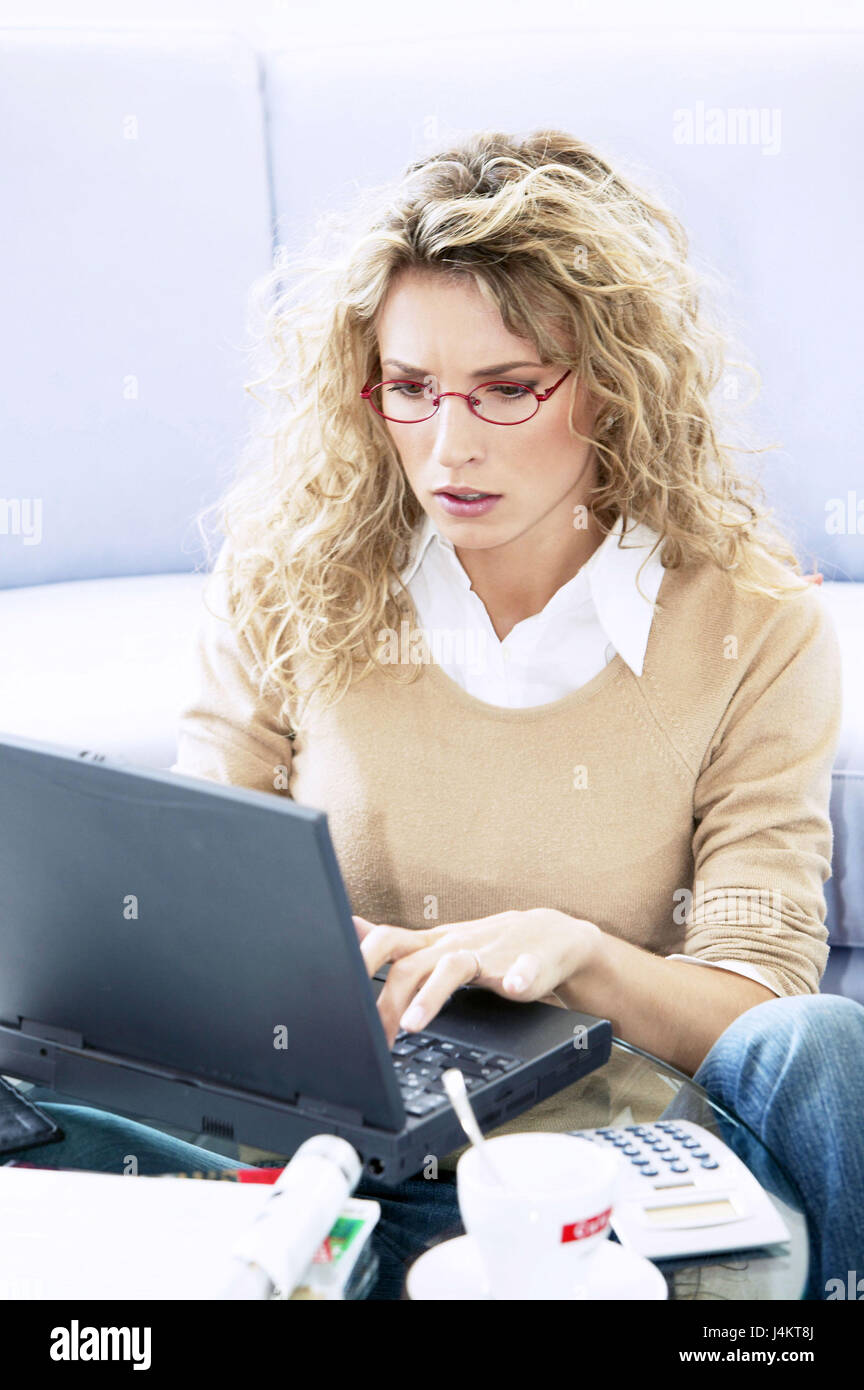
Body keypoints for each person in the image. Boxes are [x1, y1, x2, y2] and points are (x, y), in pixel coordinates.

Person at [9, 130, 864, 1300]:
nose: (449, 447)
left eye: (509, 391)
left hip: (608, 1166)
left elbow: (762, 1004)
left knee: (828, 1045)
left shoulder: (753, 622)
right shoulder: (292, 576)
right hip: (343, 1149)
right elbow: (179, 890)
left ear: (614, 383)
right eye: (411, 389)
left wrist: (585, 955)